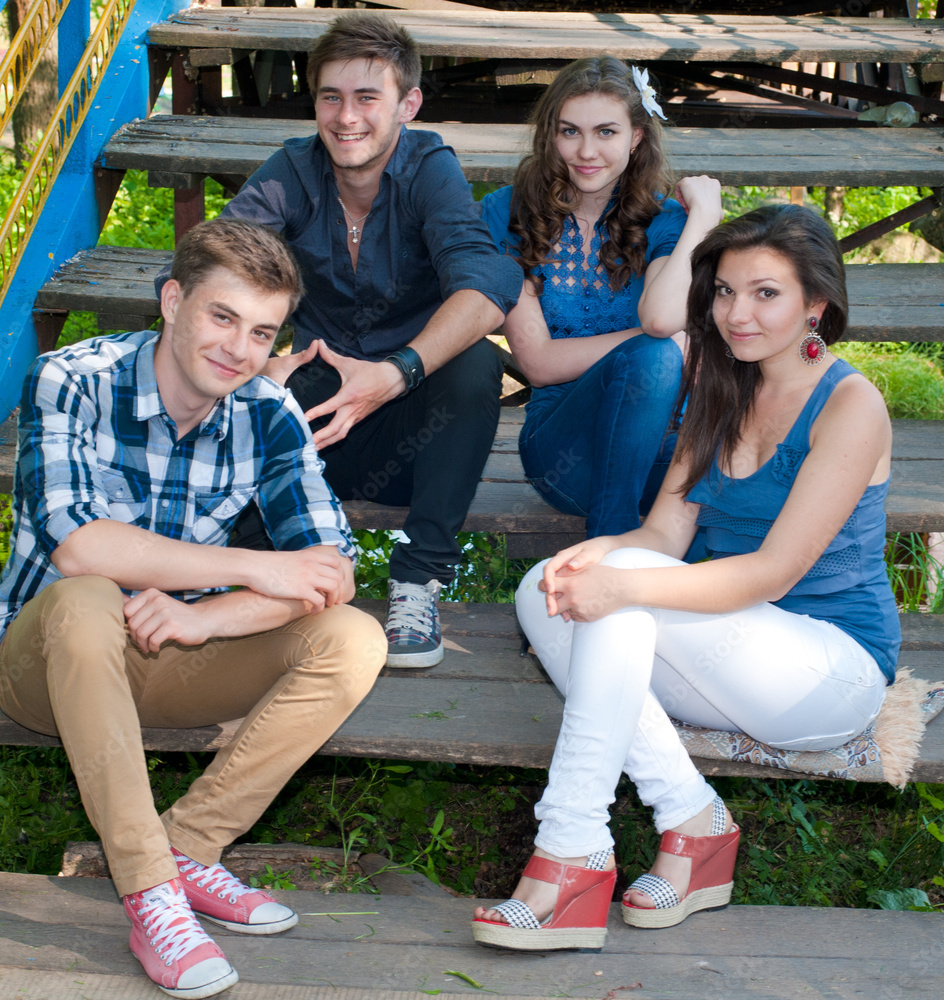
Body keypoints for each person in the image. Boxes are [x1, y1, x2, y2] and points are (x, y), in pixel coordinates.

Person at [471, 204, 900, 951]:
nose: (738, 313)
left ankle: (570, 850)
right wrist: (595, 562)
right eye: (726, 291)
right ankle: (693, 822)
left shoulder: (851, 404)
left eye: (766, 293)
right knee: (547, 585)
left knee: (624, 586)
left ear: (816, 305)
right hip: (725, 656)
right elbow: (664, 534)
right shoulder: (720, 392)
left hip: (829, 672)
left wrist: (627, 581)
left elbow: (772, 572)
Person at [0, 218, 387, 998]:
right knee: (88, 596)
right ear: (172, 301)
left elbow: (330, 570)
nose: (238, 347)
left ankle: (191, 849)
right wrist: (251, 567)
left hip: (176, 653)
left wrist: (210, 616)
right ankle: (151, 893)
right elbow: (79, 546)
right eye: (221, 316)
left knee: (352, 636)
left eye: (262, 330)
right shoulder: (73, 379)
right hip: (50, 664)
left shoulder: (267, 411)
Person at [213, 12, 524, 667]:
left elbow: (486, 281)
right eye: (331, 97)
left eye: (366, 98)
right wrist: (258, 355)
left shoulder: (428, 167)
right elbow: (214, 262)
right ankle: (240, 579)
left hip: (415, 440)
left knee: (471, 364)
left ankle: (415, 583)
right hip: (320, 420)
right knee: (250, 390)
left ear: (407, 103)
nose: (346, 117)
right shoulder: (294, 170)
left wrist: (398, 372)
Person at [480, 56, 723, 538]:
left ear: (636, 136)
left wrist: (703, 219)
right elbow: (540, 363)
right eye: (570, 131)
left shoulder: (664, 220)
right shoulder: (508, 212)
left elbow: (661, 315)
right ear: (551, 134)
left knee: (726, 489)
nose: (586, 151)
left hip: (662, 452)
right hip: (565, 455)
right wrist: (665, 346)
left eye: (606, 132)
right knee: (655, 354)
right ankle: (607, 545)